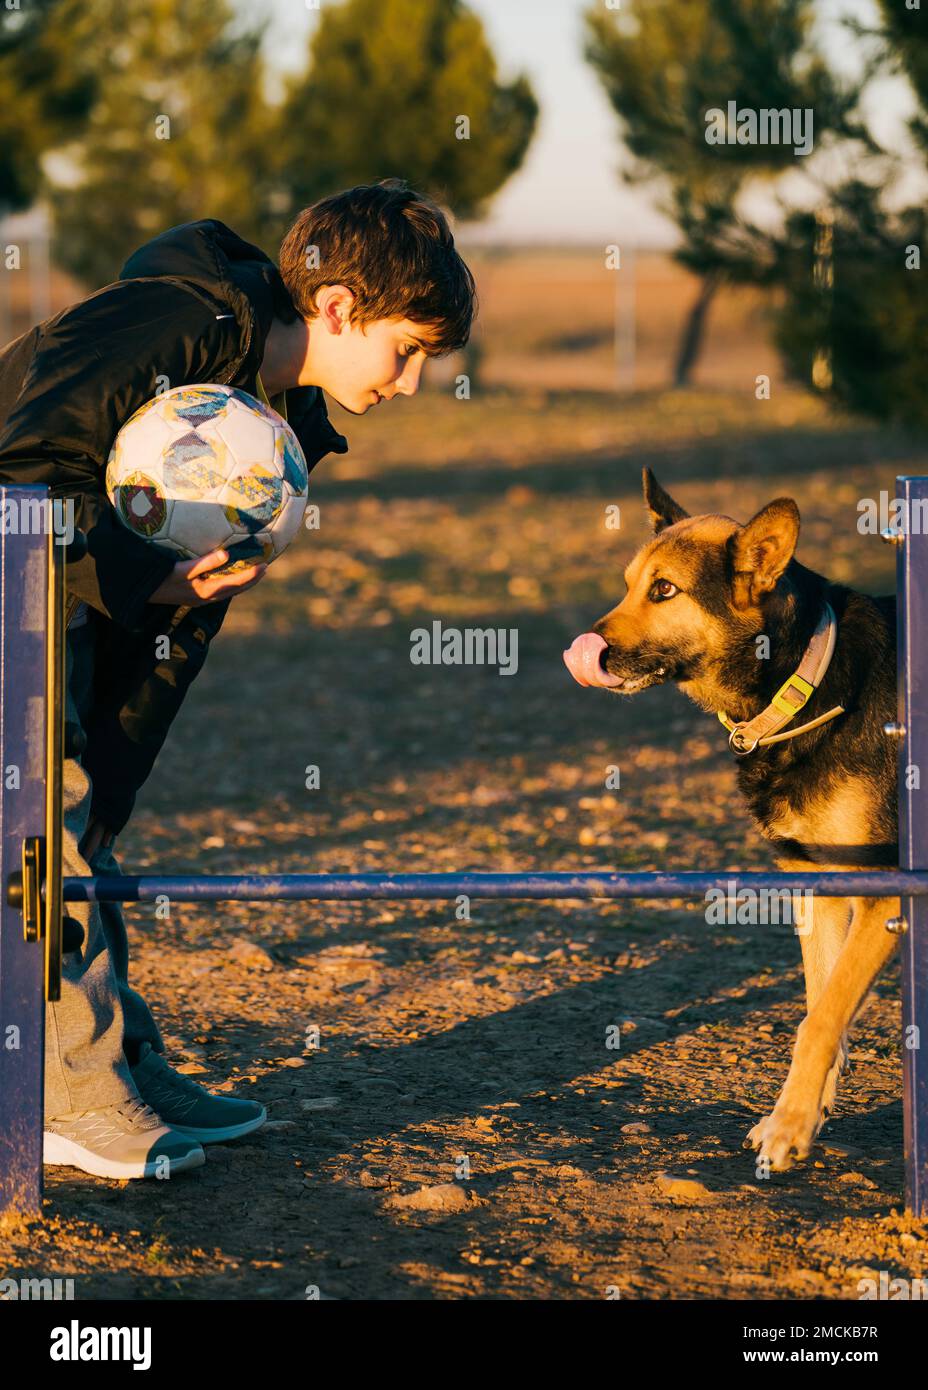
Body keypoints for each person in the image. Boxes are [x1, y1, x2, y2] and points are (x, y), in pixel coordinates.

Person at [0, 179, 477, 1179]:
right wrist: (142, 574)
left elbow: (153, 567)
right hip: (15, 577)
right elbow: (24, 469)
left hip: (68, 604)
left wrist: (161, 597)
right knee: (40, 823)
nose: (414, 381)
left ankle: (120, 1058)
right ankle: (66, 1094)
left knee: (82, 820)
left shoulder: (282, 408)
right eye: (409, 349)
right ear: (339, 307)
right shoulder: (174, 319)